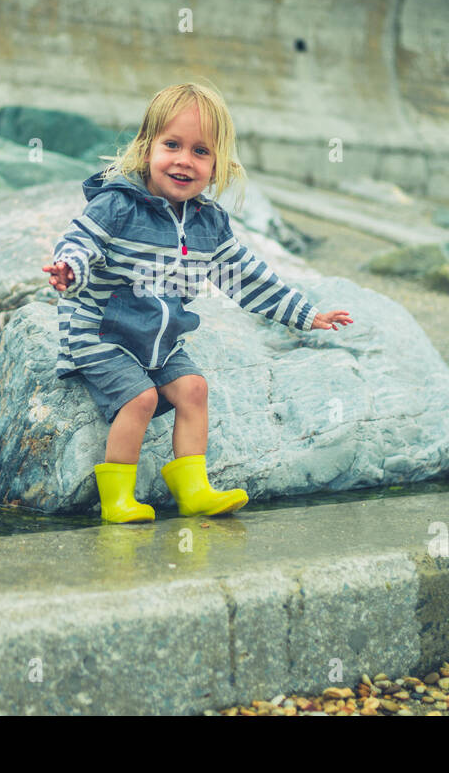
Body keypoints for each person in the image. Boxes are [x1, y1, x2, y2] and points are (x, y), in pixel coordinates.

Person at [43, 82, 353, 523]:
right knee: (140, 399)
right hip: (101, 333)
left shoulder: (208, 224)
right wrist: (70, 269)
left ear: (218, 164)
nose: (184, 160)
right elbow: (80, 241)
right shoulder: (118, 205)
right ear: (147, 147)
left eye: (201, 151)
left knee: (194, 389)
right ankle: (118, 500)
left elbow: (246, 275)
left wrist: (306, 314)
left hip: (159, 339)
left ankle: (193, 490)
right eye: (172, 145)